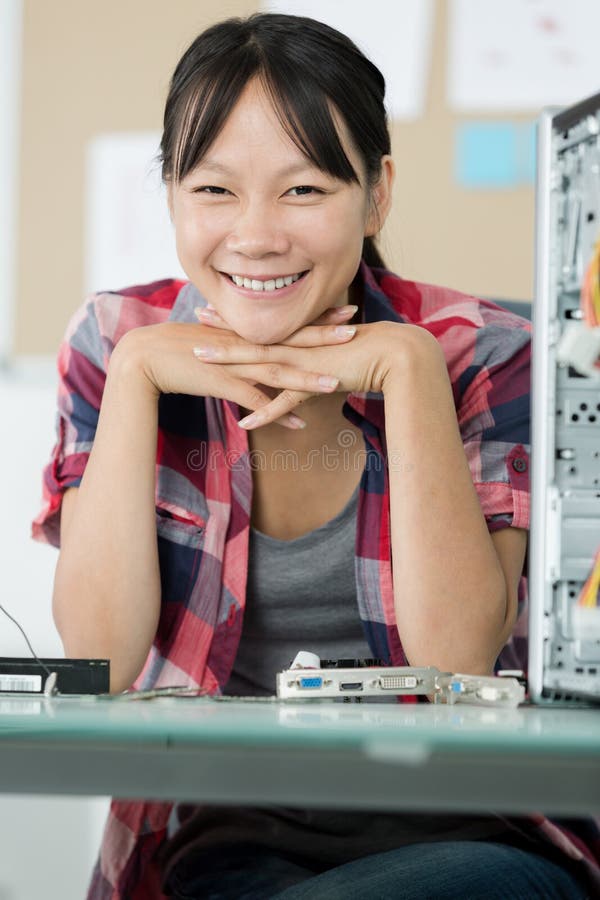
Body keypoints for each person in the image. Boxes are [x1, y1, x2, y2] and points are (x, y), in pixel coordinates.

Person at [32, 12, 598, 900]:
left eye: (304, 191)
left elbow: (456, 658)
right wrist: (141, 376)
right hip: (234, 837)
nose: (256, 237)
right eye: (213, 191)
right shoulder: (116, 342)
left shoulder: (485, 351)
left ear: (375, 195)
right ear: (172, 195)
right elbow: (99, 653)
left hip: (475, 831)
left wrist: (408, 373)